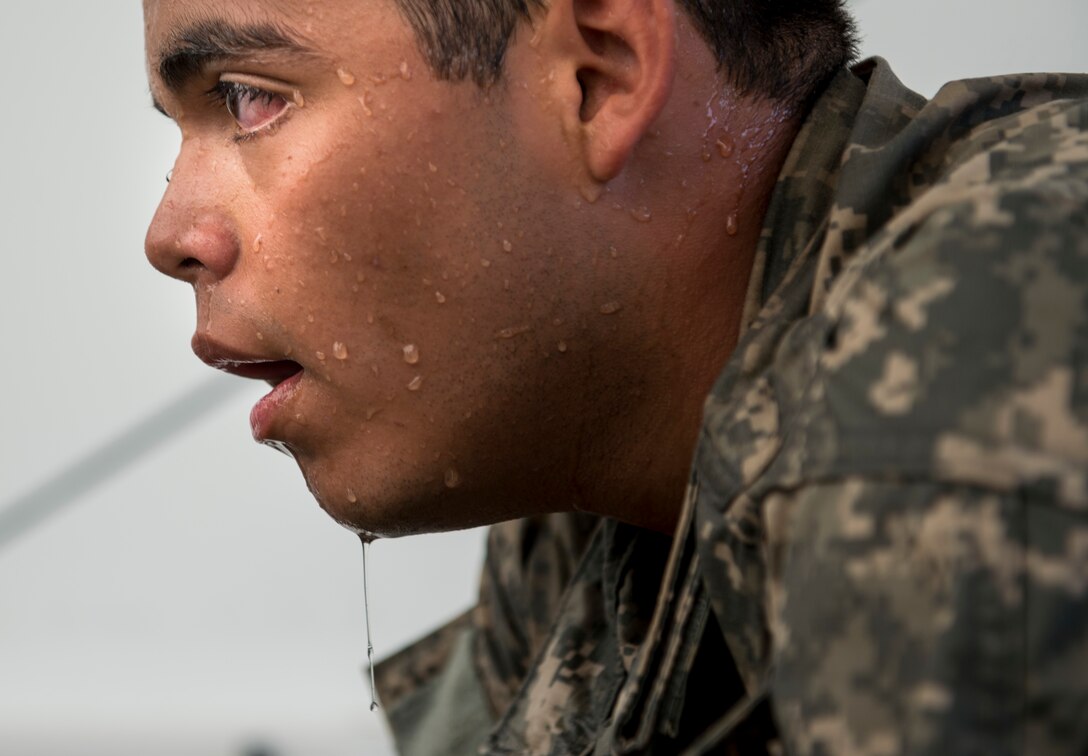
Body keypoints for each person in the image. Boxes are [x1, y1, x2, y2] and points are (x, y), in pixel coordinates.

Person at [142, 0, 1088, 753]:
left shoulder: (959, 388)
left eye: (247, 98)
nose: (170, 236)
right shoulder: (586, 481)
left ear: (599, 75)